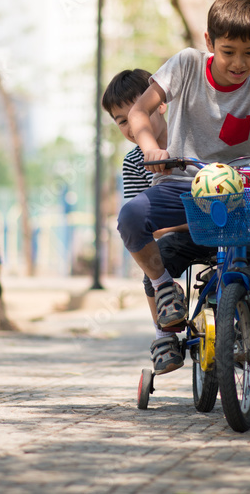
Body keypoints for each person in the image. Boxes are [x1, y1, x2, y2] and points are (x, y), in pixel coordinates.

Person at [119, 0, 250, 370]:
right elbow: (141, 111)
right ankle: (163, 289)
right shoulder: (186, 66)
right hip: (182, 185)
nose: (239, 63)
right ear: (209, 43)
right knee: (131, 217)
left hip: (237, 188)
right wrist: (149, 148)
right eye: (228, 51)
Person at [101, 69, 212, 375]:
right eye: (121, 121)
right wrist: (189, 223)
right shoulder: (134, 162)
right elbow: (150, 227)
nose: (130, 125)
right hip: (182, 234)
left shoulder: (194, 141)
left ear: (159, 105)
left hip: (223, 227)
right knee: (153, 265)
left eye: (135, 113)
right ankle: (164, 336)